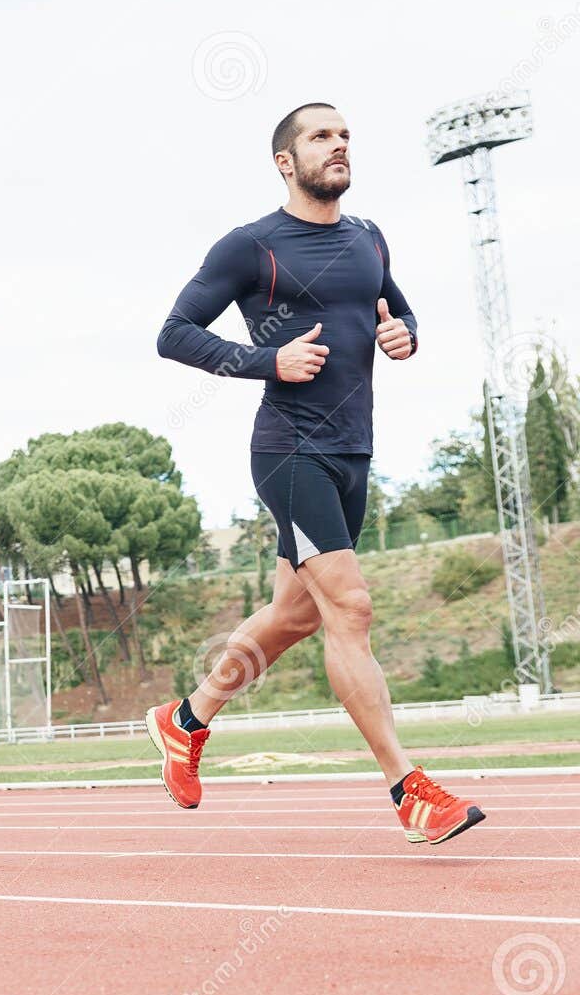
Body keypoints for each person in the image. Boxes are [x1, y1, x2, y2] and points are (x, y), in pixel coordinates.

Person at [150, 102, 484, 845]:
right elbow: (173, 334)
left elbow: (396, 311)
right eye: (321, 137)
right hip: (289, 448)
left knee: (298, 616)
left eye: (345, 137)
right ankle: (409, 791)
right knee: (351, 610)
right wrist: (265, 361)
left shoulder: (368, 238)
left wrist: (406, 334)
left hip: (354, 452)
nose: (339, 147)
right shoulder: (251, 245)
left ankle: (186, 719)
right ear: (285, 161)